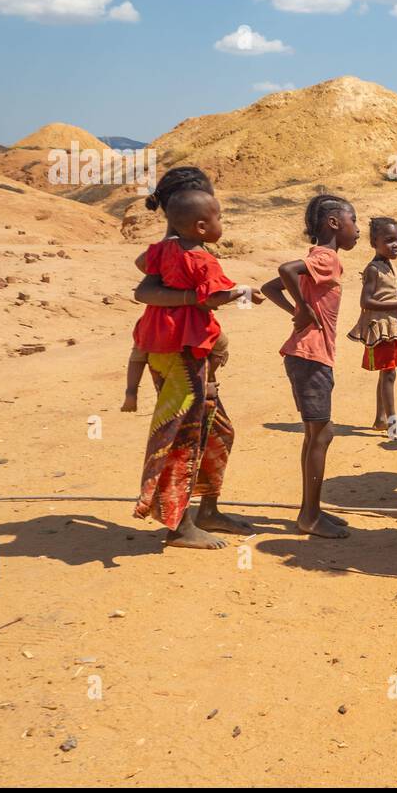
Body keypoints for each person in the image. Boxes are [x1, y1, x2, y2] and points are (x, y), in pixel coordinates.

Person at [131, 189, 264, 549]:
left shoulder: (163, 251)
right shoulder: (202, 260)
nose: (223, 223)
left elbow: (144, 271)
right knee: (184, 439)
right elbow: (205, 298)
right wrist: (242, 292)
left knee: (219, 431)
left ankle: (207, 511)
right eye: (219, 217)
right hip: (183, 356)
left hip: (175, 352)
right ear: (202, 226)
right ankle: (178, 527)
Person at [261, 194, 360, 538]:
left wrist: (297, 310)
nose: (358, 229)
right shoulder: (328, 259)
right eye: (354, 221)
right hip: (311, 355)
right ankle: (310, 516)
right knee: (323, 433)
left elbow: (271, 287)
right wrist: (301, 310)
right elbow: (283, 272)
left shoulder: (317, 259)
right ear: (334, 223)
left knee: (315, 434)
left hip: (305, 355)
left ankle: (311, 510)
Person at [124, 165, 225, 413]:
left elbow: (143, 270)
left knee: (188, 420)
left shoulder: (169, 248)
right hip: (182, 341)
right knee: (183, 421)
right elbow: (144, 292)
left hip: (165, 337)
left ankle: (132, 393)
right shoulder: (181, 251)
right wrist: (194, 297)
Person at [348, 216, 397, 432]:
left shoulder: (389, 266)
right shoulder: (373, 269)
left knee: (386, 372)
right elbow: (365, 301)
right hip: (380, 327)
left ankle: (380, 419)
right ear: (374, 243)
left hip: (390, 327)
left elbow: (385, 295)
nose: (395, 245)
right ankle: (393, 424)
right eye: (389, 240)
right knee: (389, 373)